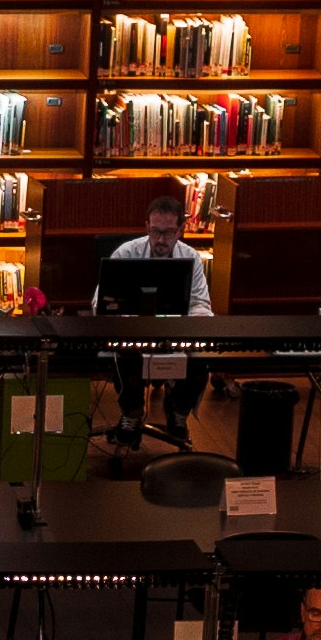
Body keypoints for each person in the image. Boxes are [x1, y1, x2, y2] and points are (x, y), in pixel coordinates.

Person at [98, 183, 213, 445]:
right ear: (146, 227)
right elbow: (100, 300)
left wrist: (196, 320)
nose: (161, 240)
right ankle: (132, 413)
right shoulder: (127, 253)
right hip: (133, 332)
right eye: (155, 232)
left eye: (168, 233)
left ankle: (179, 412)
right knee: (125, 356)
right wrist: (124, 318)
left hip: (176, 333)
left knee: (200, 360)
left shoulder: (191, 258)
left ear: (180, 230)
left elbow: (200, 303)